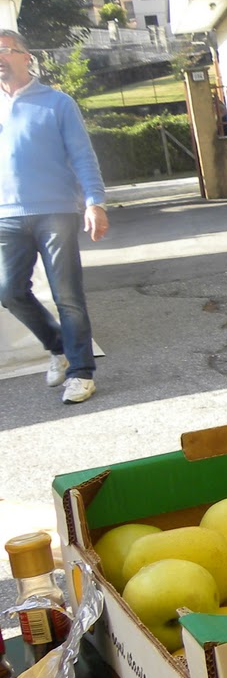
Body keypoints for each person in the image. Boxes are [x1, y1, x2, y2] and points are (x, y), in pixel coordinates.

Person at [0, 28, 107, 406]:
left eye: (4, 50)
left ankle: (81, 372)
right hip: (6, 217)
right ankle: (59, 347)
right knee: (9, 291)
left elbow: (82, 156)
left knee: (68, 297)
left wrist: (95, 202)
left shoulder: (57, 103)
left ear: (25, 56)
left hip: (56, 213)